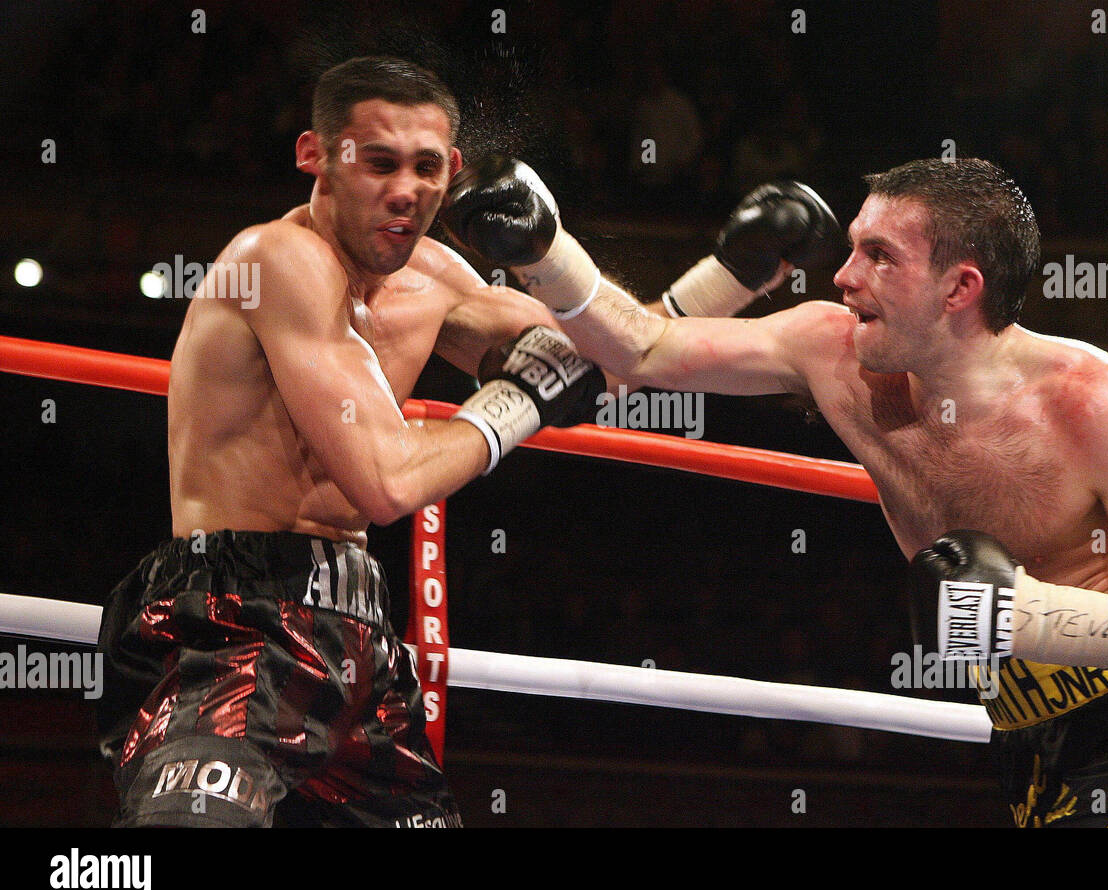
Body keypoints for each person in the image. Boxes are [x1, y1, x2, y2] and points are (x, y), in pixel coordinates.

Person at [95, 57, 841, 828]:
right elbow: (385, 483)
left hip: (355, 634)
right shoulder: (273, 261)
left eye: (425, 168)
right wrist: (519, 402)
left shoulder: (436, 279)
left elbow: (606, 360)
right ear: (314, 155)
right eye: (378, 163)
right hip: (233, 617)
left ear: (452, 171)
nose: (405, 190)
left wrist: (739, 272)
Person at [443, 155, 1108, 827]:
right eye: (850, 247)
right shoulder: (830, 352)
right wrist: (546, 253)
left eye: (878, 257)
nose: (842, 277)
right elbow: (646, 352)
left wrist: (1022, 617)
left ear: (961, 288)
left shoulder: (1099, 405)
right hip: (1030, 731)